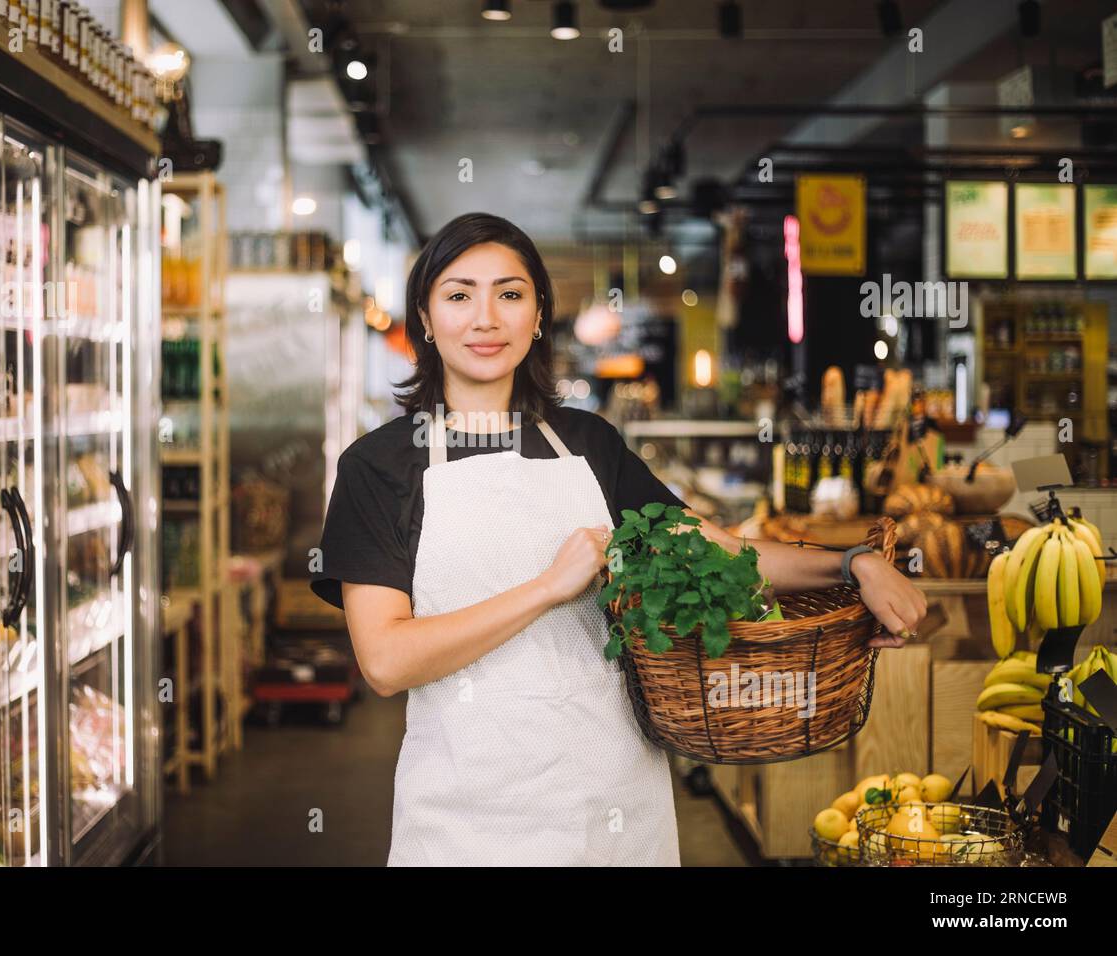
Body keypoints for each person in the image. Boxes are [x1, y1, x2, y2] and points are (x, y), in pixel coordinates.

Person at [310, 212, 926, 866]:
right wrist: (547, 588)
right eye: (459, 295)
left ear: (539, 315)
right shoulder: (377, 467)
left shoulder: (587, 443)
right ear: (426, 320)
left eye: (510, 294)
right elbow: (385, 660)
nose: (485, 318)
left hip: (613, 805)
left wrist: (852, 563)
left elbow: (713, 550)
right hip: (469, 820)